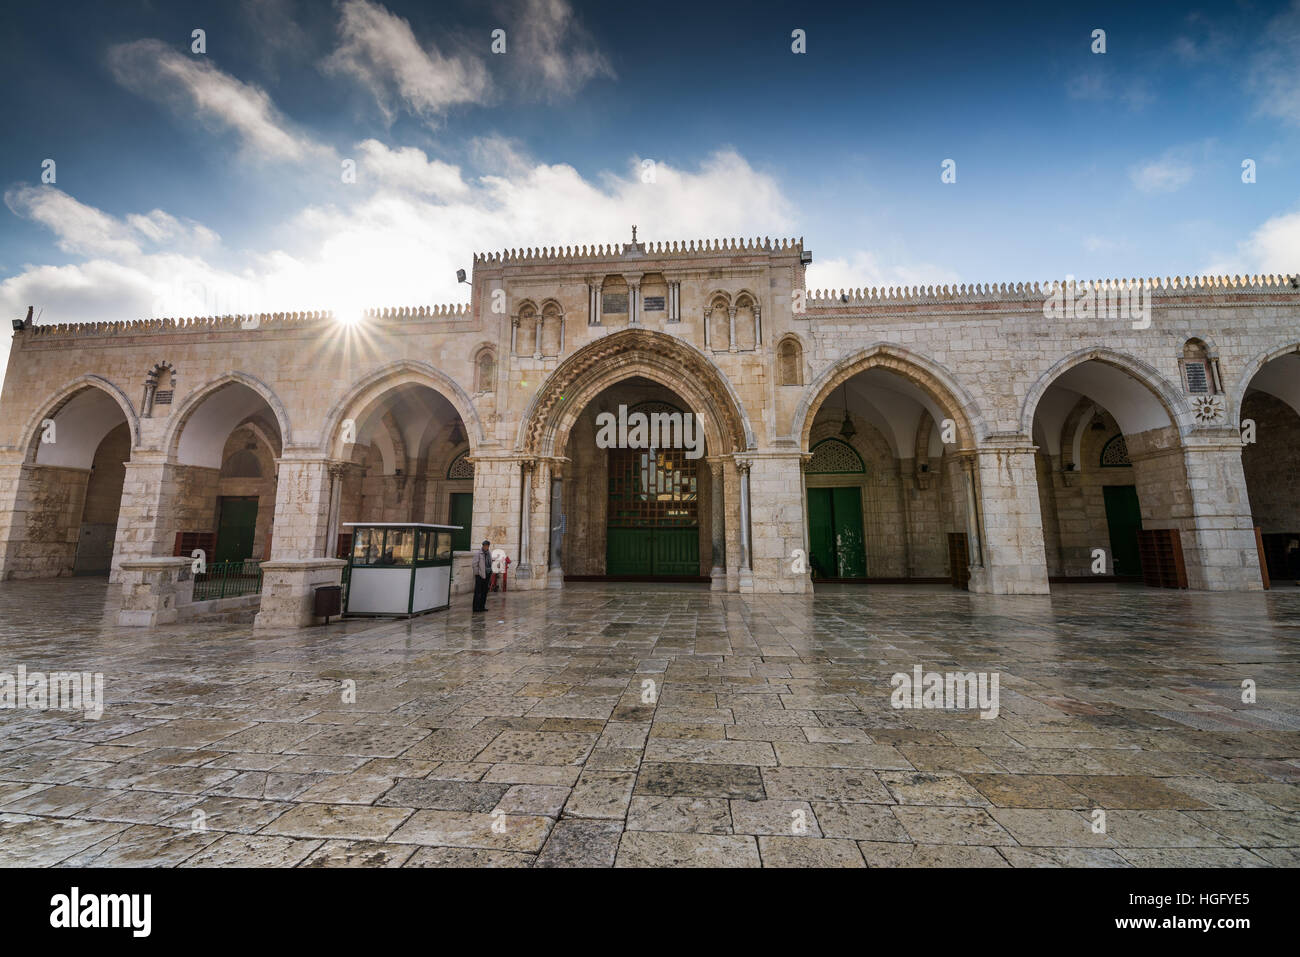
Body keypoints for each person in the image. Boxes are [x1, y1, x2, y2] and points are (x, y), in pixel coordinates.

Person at [472, 539, 492, 612]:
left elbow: (490, 562)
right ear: (483, 546)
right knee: (478, 592)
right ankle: (476, 607)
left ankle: (482, 606)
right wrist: (477, 574)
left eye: (487, 546)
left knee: (484, 591)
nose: (486, 547)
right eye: (485, 545)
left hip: (487, 574)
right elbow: (474, 564)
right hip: (480, 575)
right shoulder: (478, 553)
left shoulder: (489, 553)